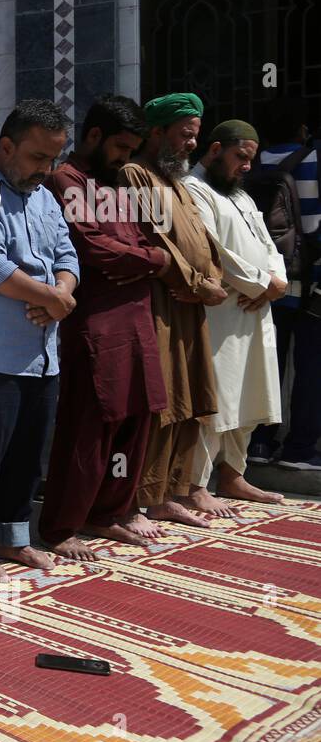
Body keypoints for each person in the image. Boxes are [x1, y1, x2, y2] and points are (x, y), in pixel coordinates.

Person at [39, 95, 172, 552]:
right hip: (98, 324)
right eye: (119, 146)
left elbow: (154, 244)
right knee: (92, 424)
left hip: (137, 318)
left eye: (132, 148)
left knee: (137, 417)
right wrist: (149, 259)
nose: (126, 157)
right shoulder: (66, 179)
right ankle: (63, 525)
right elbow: (93, 250)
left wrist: (146, 259)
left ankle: (109, 511)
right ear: (94, 135)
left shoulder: (119, 184)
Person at [0, 100, 79, 581]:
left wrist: (61, 295)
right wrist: (50, 297)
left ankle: (15, 539)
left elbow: (69, 252)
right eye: (36, 158)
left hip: (44, 353)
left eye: (52, 160)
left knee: (28, 454)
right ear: (6, 147)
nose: (45, 170)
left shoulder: (46, 197)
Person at [122, 92, 228, 529]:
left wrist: (214, 280)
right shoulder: (135, 175)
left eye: (194, 136)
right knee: (163, 400)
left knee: (191, 399)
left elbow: (203, 240)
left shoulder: (178, 184)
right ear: (157, 132)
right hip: (164, 305)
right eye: (185, 135)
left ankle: (170, 493)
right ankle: (141, 494)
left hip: (192, 306)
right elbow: (156, 242)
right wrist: (199, 285)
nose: (191, 145)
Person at [183, 119, 288, 508]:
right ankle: (196, 486)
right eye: (239, 157)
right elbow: (212, 252)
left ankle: (233, 476)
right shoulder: (195, 190)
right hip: (223, 310)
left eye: (250, 159)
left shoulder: (241, 196)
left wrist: (274, 280)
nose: (246, 166)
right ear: (214, 151)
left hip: (255, 308)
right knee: (219, 396)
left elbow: (268, 244)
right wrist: (264, 284)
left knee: (248, 394)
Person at [249, 101, 321, 470]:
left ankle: (259, 443)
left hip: (268, 280)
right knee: (311, 364)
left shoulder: (255, 160)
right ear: (301, 128)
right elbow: (313, 227)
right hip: (311, 281)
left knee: (268, 362)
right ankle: (299, 448)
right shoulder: (311, 157)